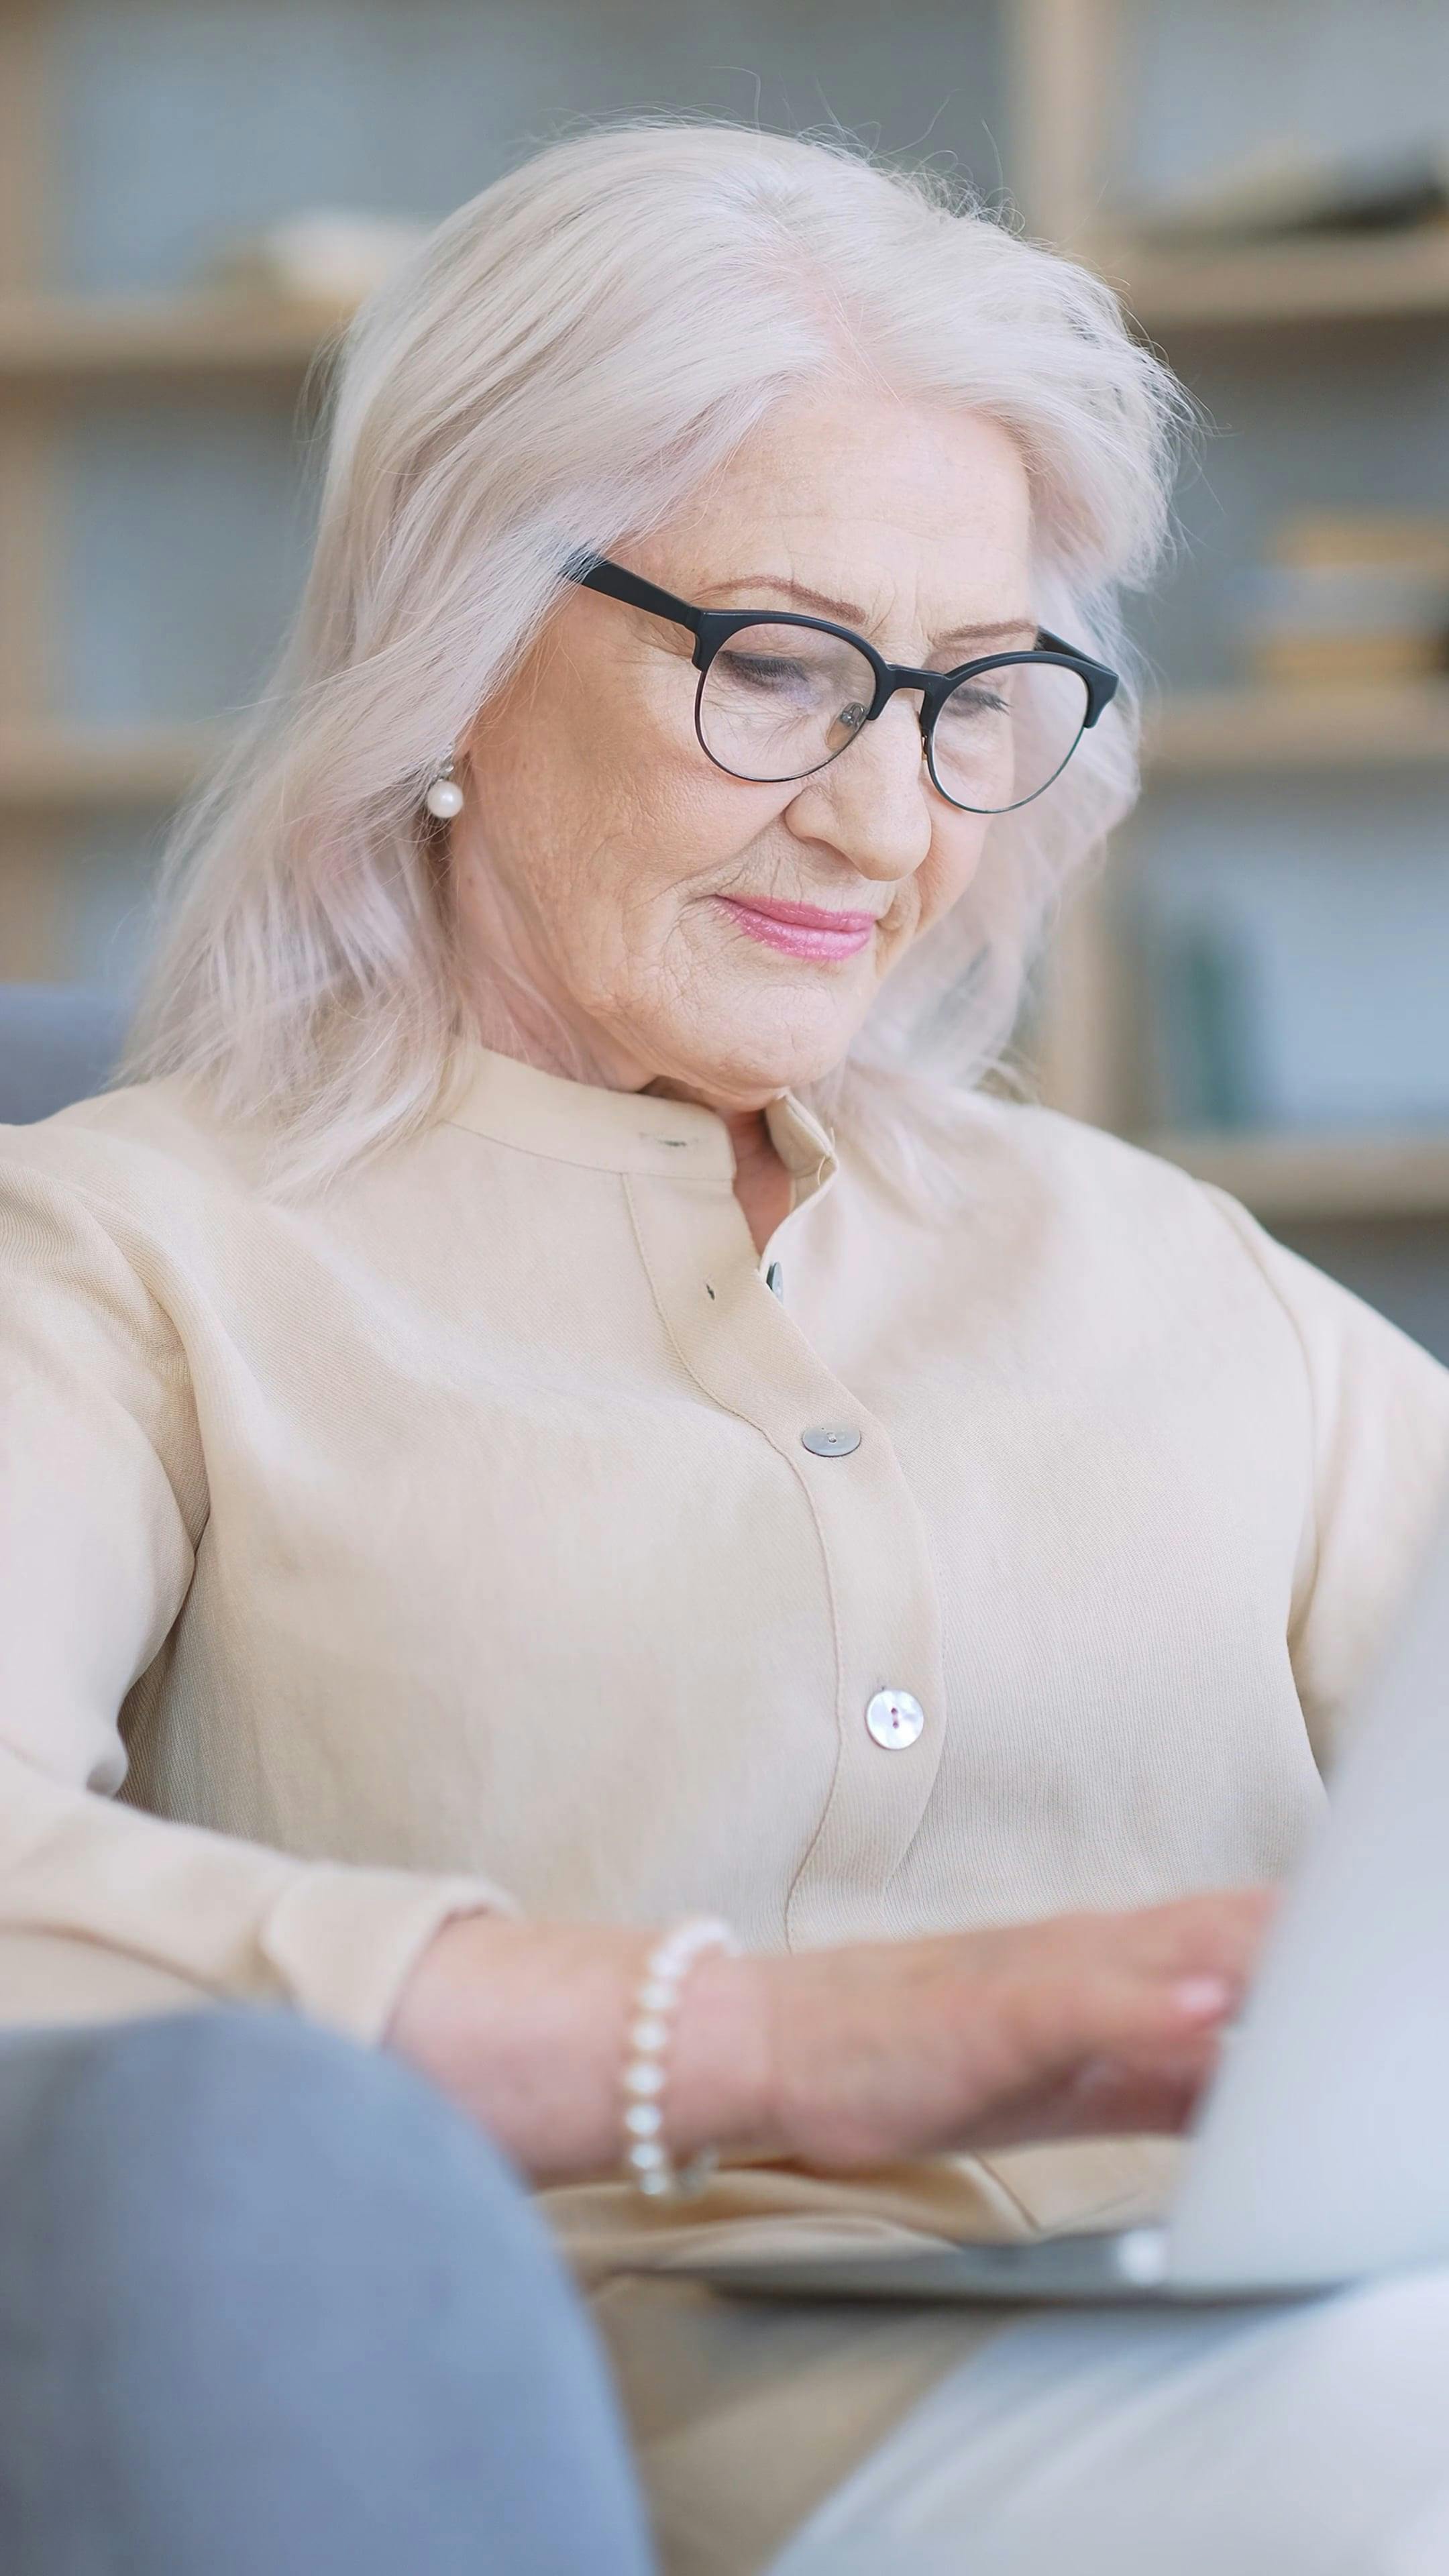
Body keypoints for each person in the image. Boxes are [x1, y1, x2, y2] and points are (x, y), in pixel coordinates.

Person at [1, 121, 1446, 2576]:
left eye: (979, 698)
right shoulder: (134, 1257)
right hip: (645, 2443)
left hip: (1293, 2346)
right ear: (452, 635)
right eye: (781, 668)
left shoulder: (1165, 1275)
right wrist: (778, 2044)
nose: (889, 824)